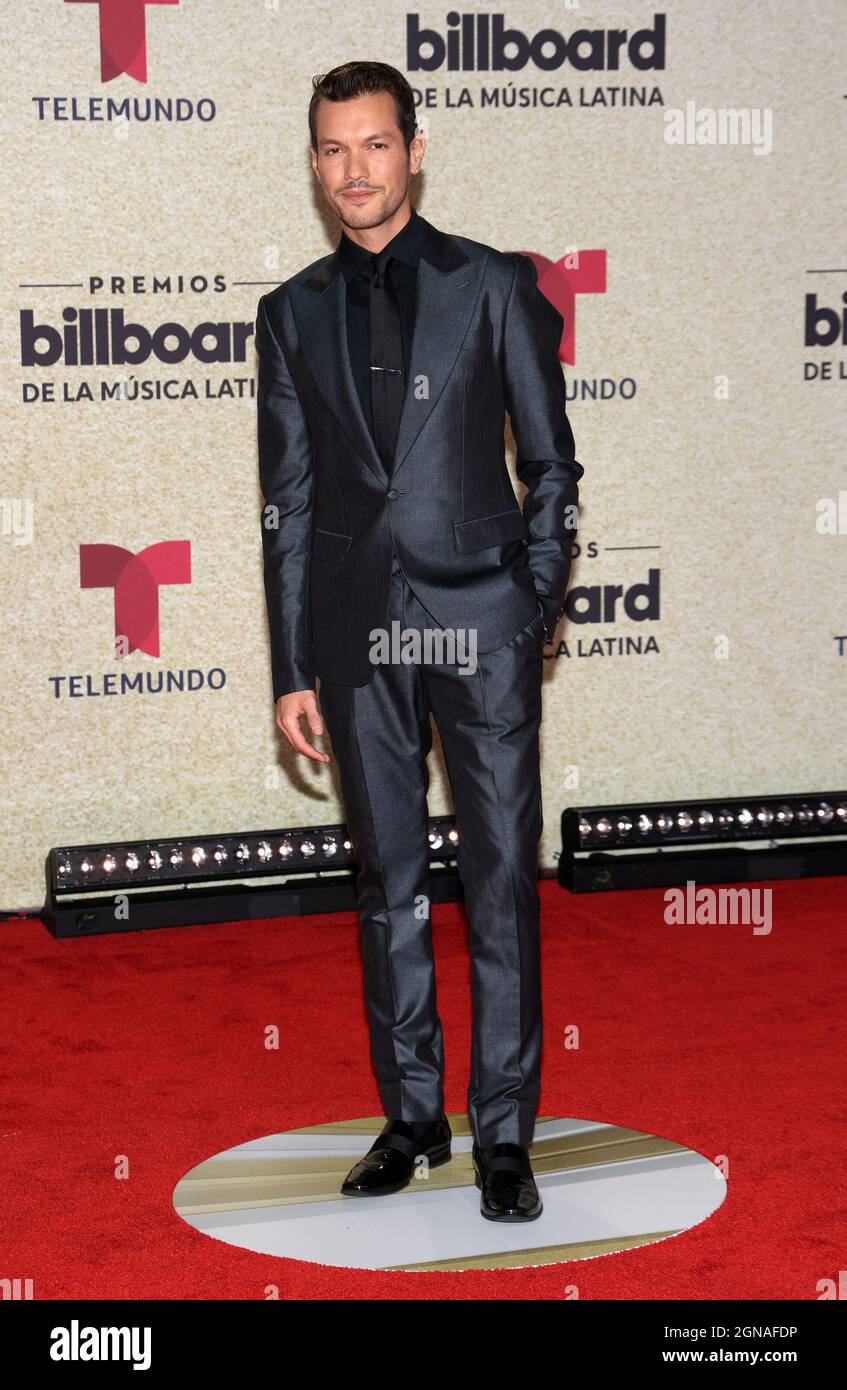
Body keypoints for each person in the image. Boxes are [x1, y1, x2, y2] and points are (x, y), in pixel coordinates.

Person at [255, 60, 583, 1222]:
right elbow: (288, 500)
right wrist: (293, 662)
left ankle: (503, 1133)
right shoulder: (288, 312)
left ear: (415, 148)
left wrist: (531, 606)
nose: (356, 170)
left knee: (499, 883)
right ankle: (411, 1118)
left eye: (376, 145)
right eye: (335, 149)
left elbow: (550, 465)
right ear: (313, 163)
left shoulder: (492, 284)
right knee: (386, 881)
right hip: (357, 638)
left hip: (481, 627)